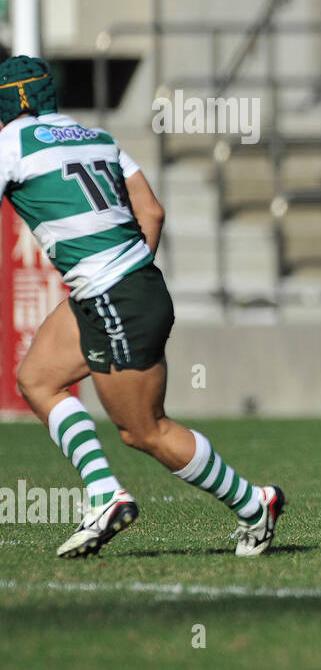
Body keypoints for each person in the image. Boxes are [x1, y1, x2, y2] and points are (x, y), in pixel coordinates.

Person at [1, 55, 285, 558]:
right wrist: (126, 274)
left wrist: (115, 282)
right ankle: (106, 493)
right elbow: (151, 210)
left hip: (113, 295)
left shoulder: (11, 144)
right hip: (124, 288)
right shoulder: (98, 138)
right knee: (38, 379)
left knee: (143, 430)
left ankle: (253, 504)